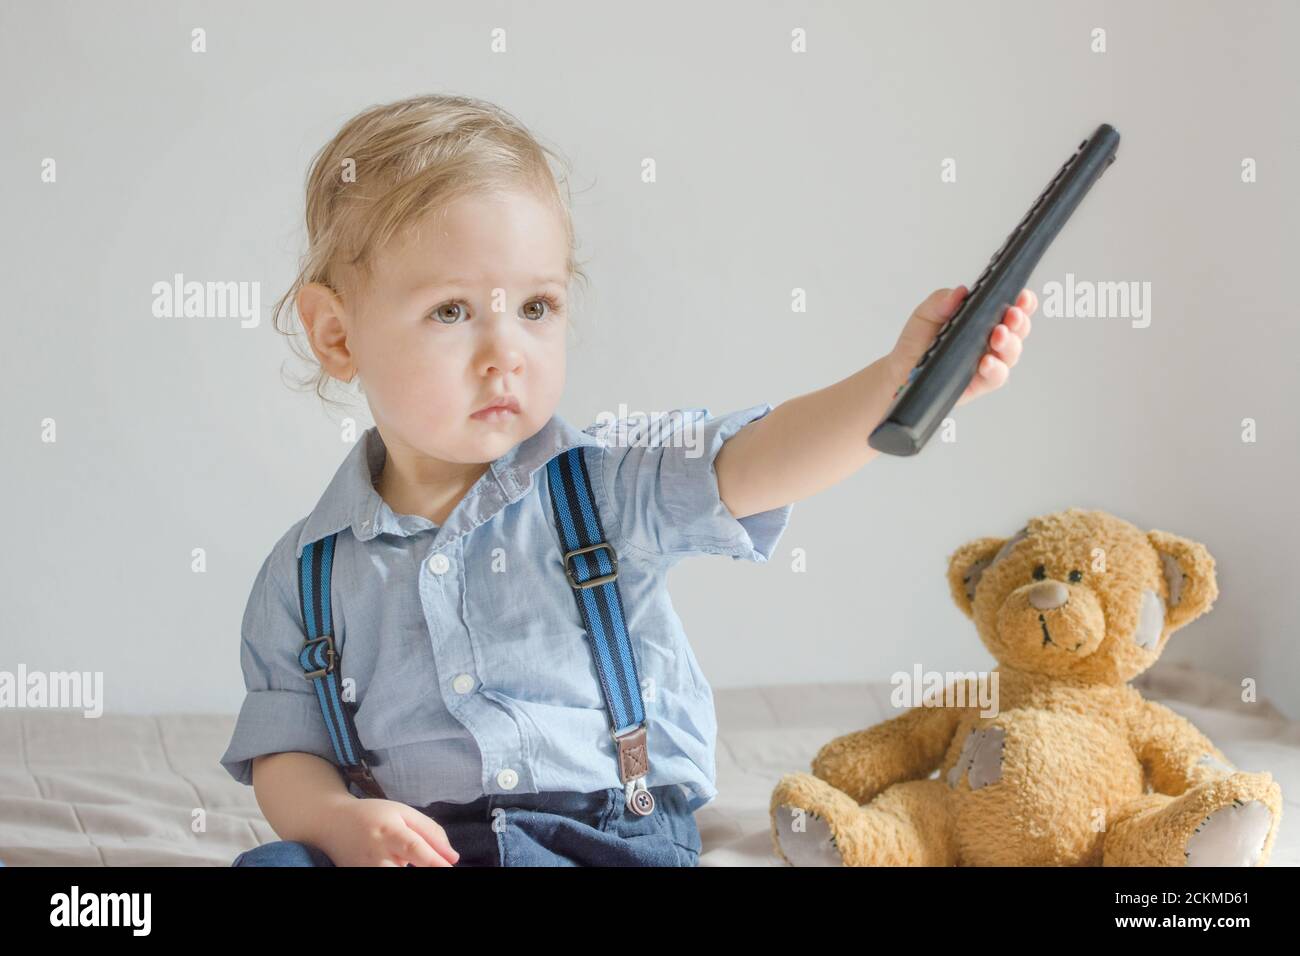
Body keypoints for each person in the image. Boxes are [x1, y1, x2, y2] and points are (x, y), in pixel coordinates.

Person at [222, 93, 1034, 867]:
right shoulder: (305, 575)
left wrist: (897, 380)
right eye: (451, 311)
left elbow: (756, 459)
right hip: (420, 846)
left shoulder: (605, 486)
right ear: (336, 334)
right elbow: (287, 750)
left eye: (535, 308)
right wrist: (340, 821)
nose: (506, 351)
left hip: (605, 838)